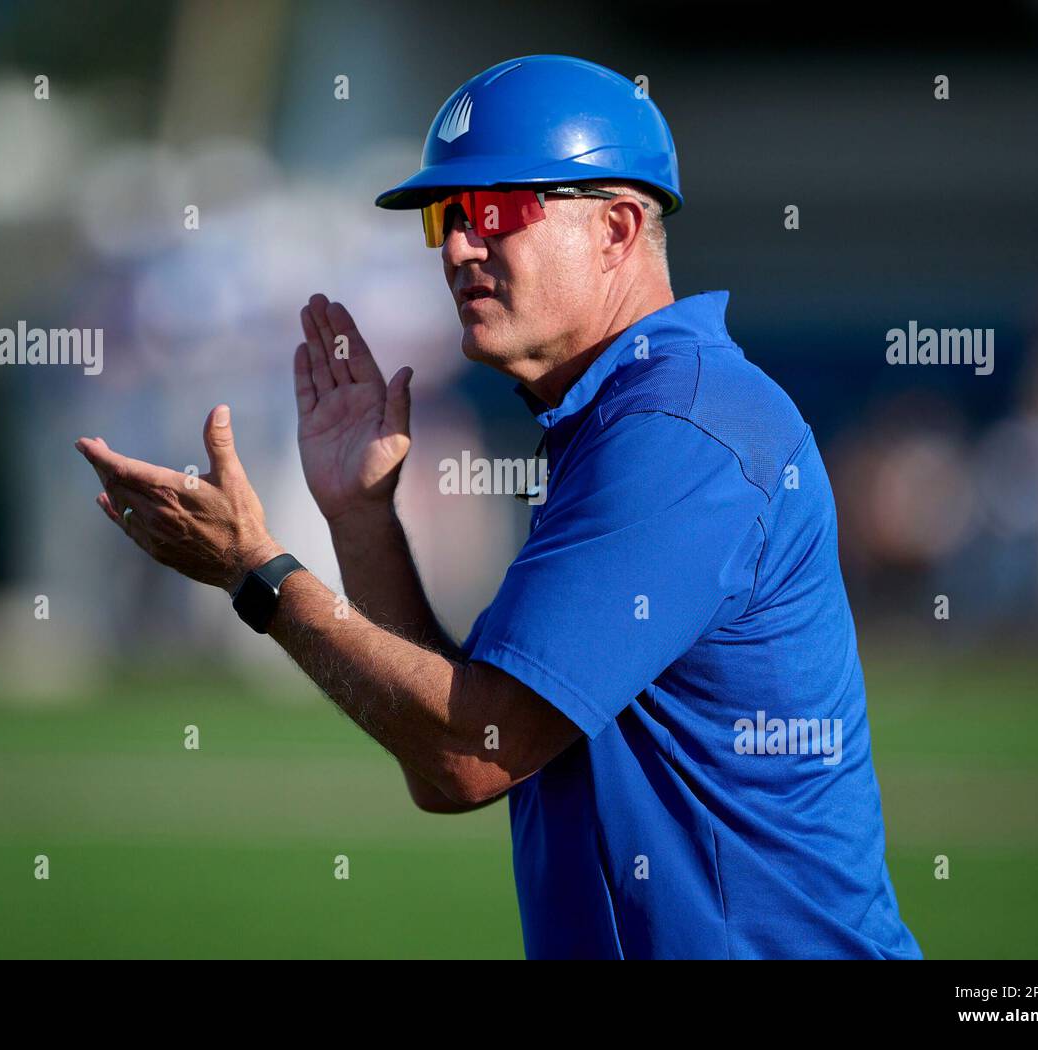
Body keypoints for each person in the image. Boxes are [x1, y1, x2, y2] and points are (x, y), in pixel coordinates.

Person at [76, 54, 921, 960]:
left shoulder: (681, 431)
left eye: (495, 208)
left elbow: (469, 754)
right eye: (445, 215)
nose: (456, 247)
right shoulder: (617, 417)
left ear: (617, 228)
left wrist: (260, 575)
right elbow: (451, 742)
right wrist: (361, 516)